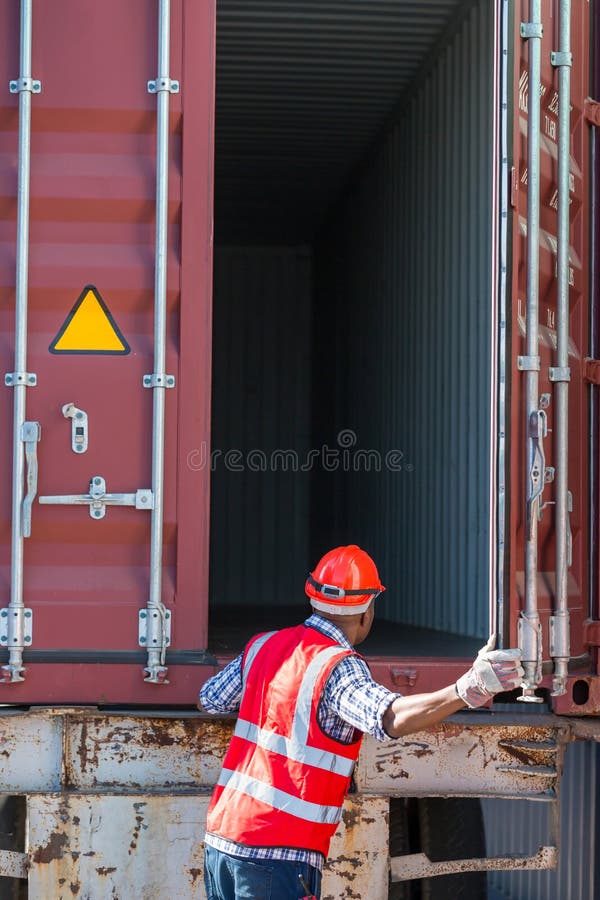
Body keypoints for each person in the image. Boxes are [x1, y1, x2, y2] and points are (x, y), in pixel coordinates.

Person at [199, 545, 523, 900]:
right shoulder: (338, 666)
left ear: (313, 597)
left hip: (223, 841)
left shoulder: (263, 645)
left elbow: (211, 699)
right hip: (276, 853)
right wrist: (468, 689)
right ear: (368, 611)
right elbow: (390, 717)